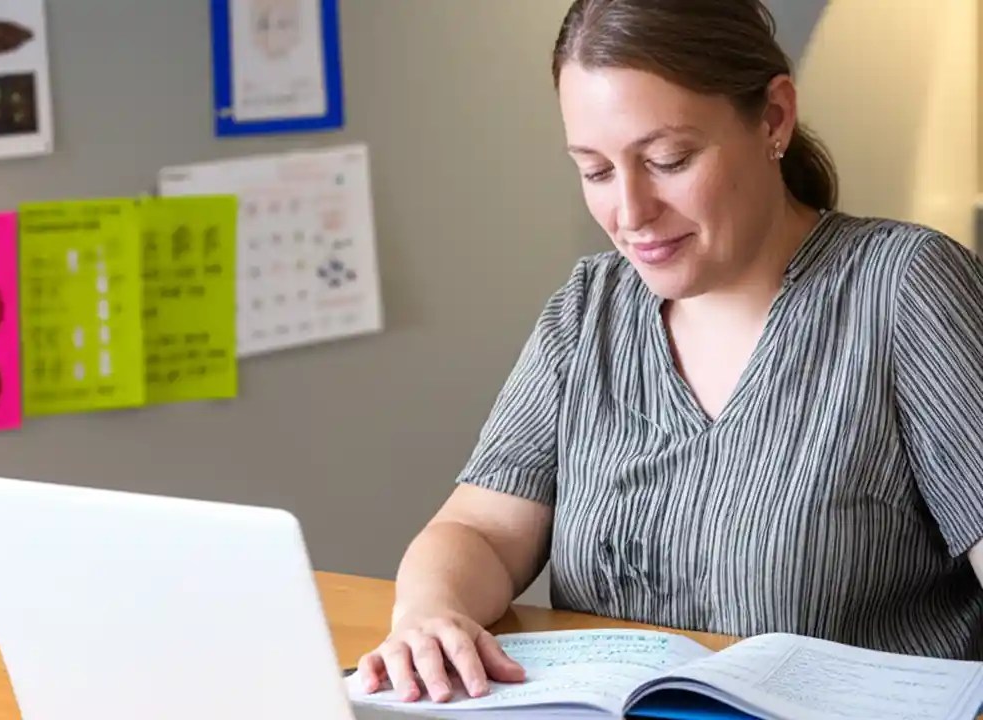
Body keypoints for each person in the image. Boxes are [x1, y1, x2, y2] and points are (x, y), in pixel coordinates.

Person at [354, 0, 983, 704]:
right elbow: (480, 529)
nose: (629, 212)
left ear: (774, 118)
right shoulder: (589, 309)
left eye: (667, 160)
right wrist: (427, 614)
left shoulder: (904, 290)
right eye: (594, 171)